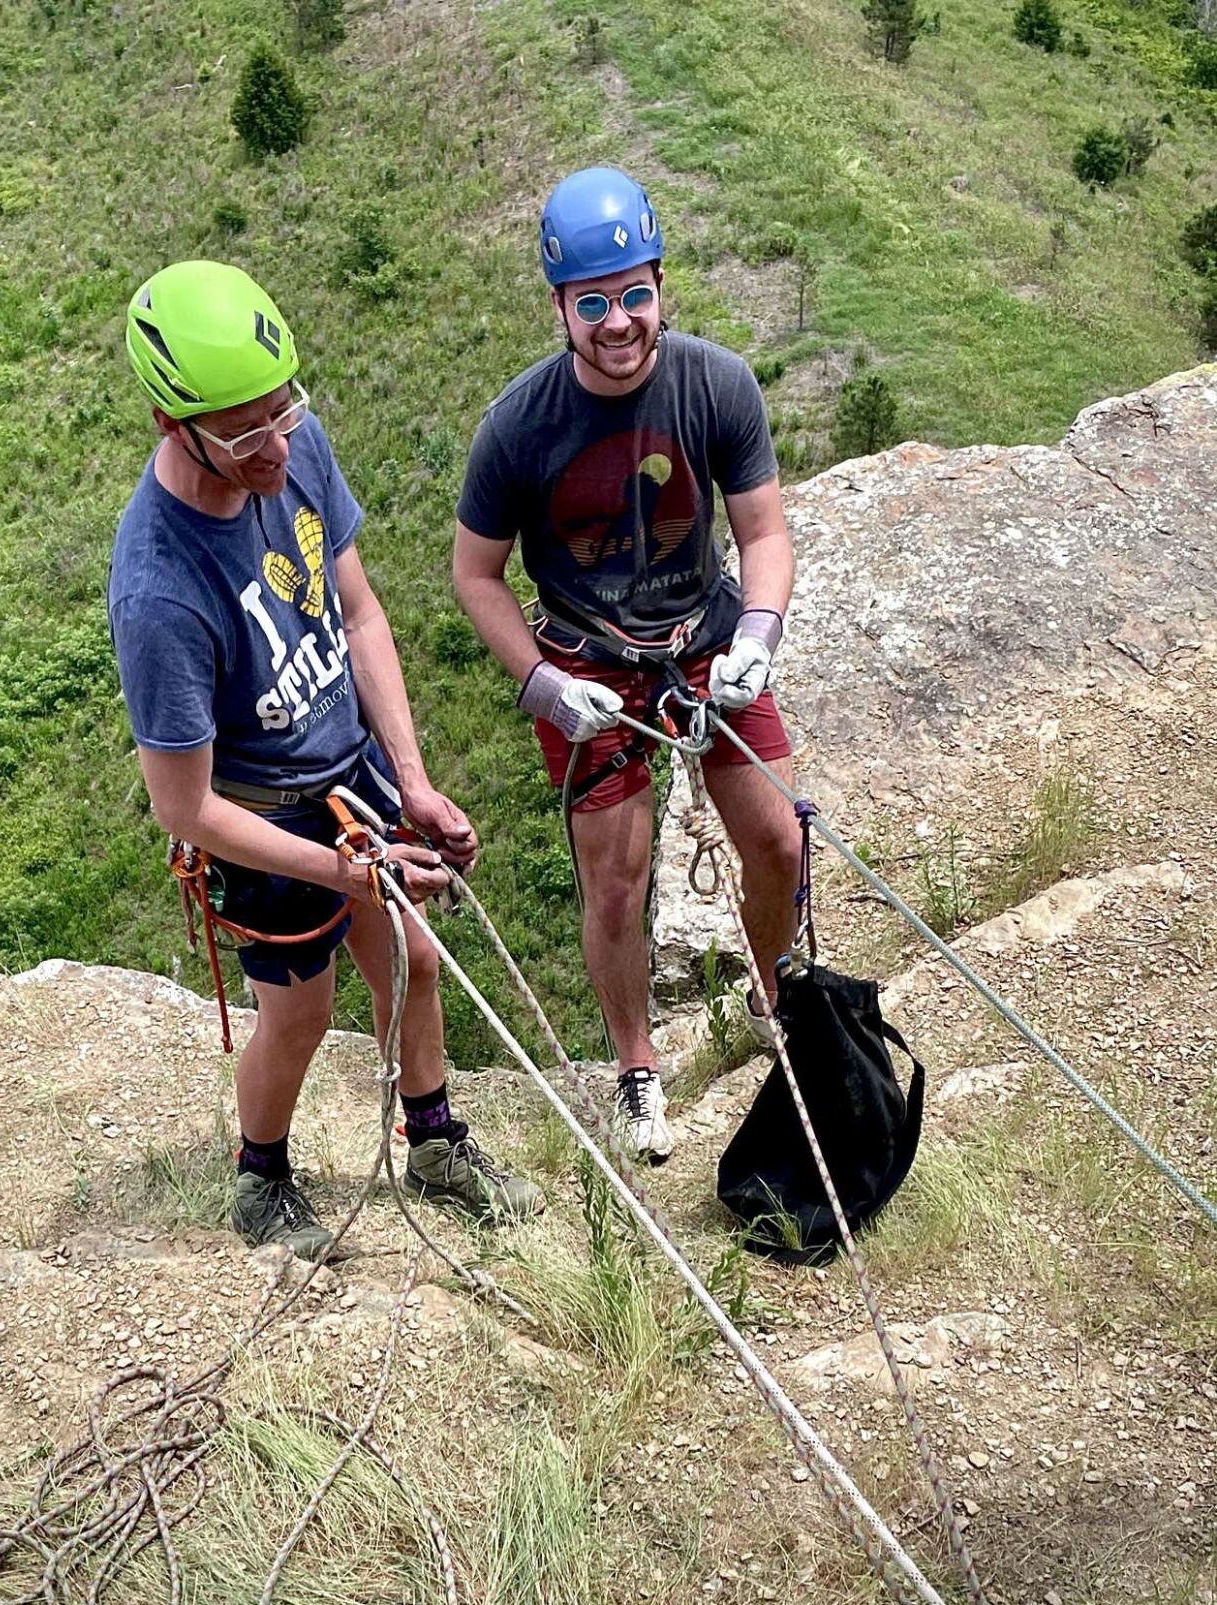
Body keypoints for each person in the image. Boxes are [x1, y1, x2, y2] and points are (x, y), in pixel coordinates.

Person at [110, 259, 542, 1259]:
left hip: (346, 766)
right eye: (245, 429)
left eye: (283, 407)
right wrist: (344, 868)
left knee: (413, 962)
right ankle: (261, 1180)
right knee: (300, 1012)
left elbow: (354, 611)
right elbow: (183, 809)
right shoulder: (161, 592)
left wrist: (414, 780)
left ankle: (433, 1144)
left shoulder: (291, 453)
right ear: (174, 427)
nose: (277, 441)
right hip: (259, 815)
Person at [453, 168, 802, 1164]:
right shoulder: (519, 425)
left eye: (633, 295)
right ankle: (635, 1066)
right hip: (583, 661)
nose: (617, 322)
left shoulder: (715, 384)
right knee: (615, 880)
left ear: (660, 287)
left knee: (774, 840)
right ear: (561, 307)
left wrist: (756, 639)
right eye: (593, 303)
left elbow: (763, 533)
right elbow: (474, 574)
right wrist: (541, 683)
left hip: (702, 637)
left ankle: (775, 994)